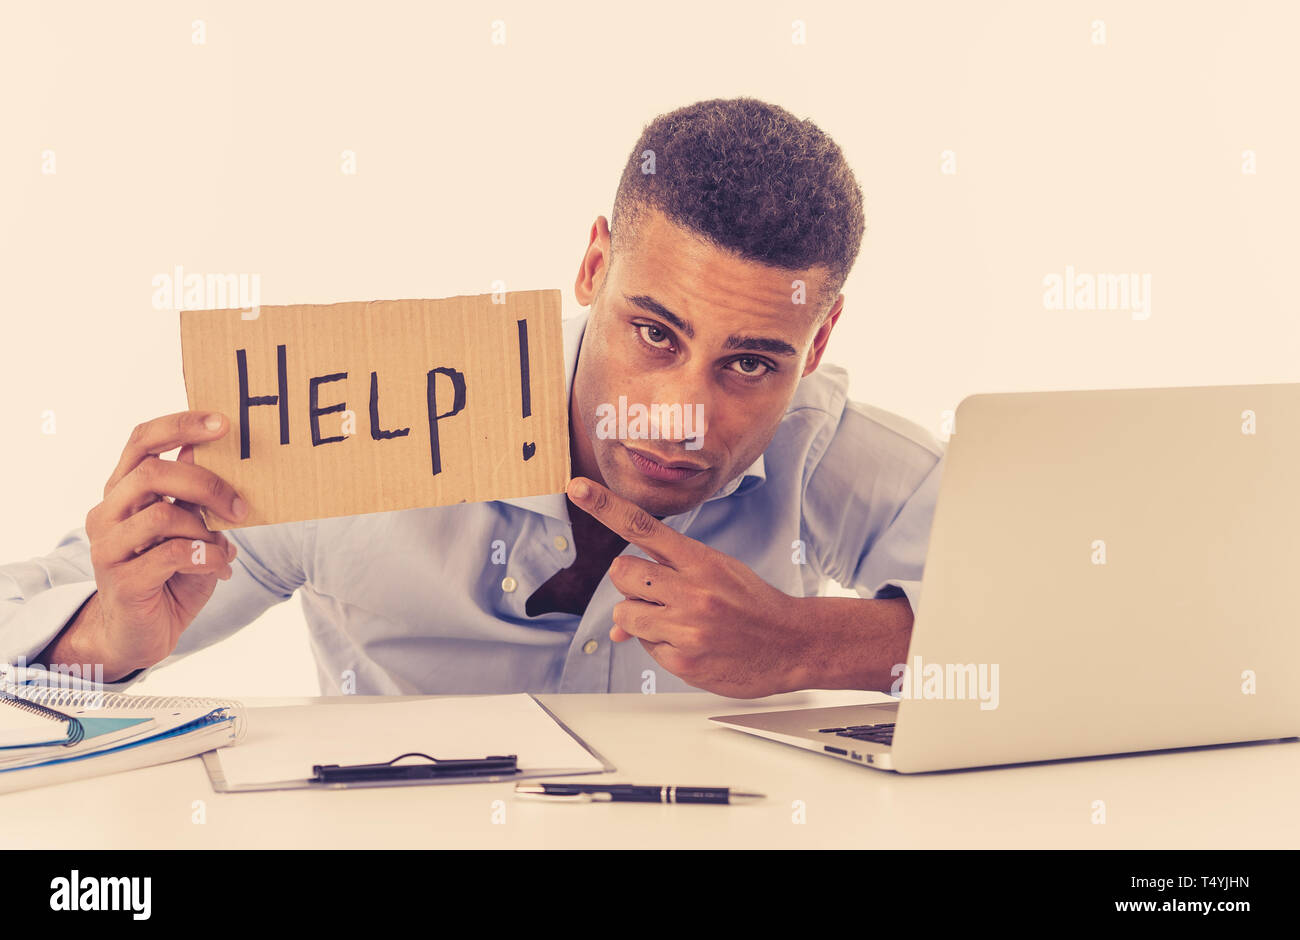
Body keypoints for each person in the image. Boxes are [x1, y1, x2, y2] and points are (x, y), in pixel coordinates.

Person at [0, 97, 944, 698]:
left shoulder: (830, 455)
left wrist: (811, 645)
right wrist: (107, 635)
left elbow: (1074, 638)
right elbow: (16, 626)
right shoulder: (363, 421)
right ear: (593, 267)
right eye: (654, 332)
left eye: (751, 364)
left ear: (817, 343)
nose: (682, 414)